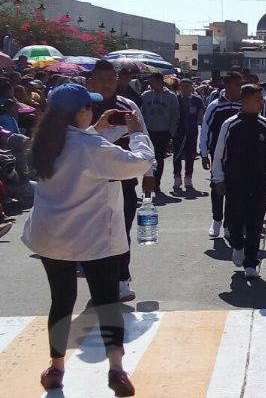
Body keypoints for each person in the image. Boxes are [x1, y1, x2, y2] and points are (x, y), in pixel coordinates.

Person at [22, 83, 154, 396]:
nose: (93, 111)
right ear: (80, 111)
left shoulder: (45, 142)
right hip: (94, 240)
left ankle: (56, 368)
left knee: (61, 300)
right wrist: (137, 132)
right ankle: (116, 369)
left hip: (51, 237)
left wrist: (97, 129)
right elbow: (139, 162)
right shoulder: (91, 147)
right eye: (90, 107)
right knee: (107, 302)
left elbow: (80, 152)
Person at [86, 60, 152, 303]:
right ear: (90, 82)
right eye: (101, 80)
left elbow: (142, 135)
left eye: (110, 80)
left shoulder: (128, 106)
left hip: (122, 180)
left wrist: (149, 173)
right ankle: (100, 285)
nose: (106, 84)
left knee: (121, 232)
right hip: (91, 183)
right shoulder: (83, 107)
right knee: (94, 234)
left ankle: (122, 279)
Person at [212, 84, 266, 279]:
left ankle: (251, 262)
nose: (261, 103)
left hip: (259, 181)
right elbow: (219, 154)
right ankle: (237, 245)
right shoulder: (230, 124)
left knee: (255, 222)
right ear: (245, 101)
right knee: (234, 218)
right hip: (235, 181)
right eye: (257, 99)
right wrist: (218, 178)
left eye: (262, 99)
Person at [200, 71, 243, 238]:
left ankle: (229, 223)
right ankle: (216, 219)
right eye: (237, 84)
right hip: (218, 152)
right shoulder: (215, 105)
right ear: (227, 85)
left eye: (240, 84)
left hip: (239, 154)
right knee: (217, 185)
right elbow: (205, 128)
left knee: (235, 188)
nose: (239, 88)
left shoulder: (243, 105)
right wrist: (204, 152)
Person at [139, 73, 180, 197]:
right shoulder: (146, 96)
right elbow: (141, 112)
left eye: (152, 81)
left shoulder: (170, 97)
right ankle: (147, 185)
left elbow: (175, 114)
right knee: (147, 158)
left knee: (159, 158)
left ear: (159, 81)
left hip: (163, 131)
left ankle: (156, 184)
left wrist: (171, 131)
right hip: (148, 131)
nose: (150, 84)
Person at [172, 78, 204, 191]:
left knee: (190, 156)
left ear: (191, 88)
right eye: (182, 86)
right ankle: (177, 177)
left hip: (192, 131)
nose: (184, 89)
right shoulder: (175, 99)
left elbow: (200, 115)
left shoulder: (197, 100)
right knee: (177, 156)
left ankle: (188, 177)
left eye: (187, 86)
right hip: (178, 132)